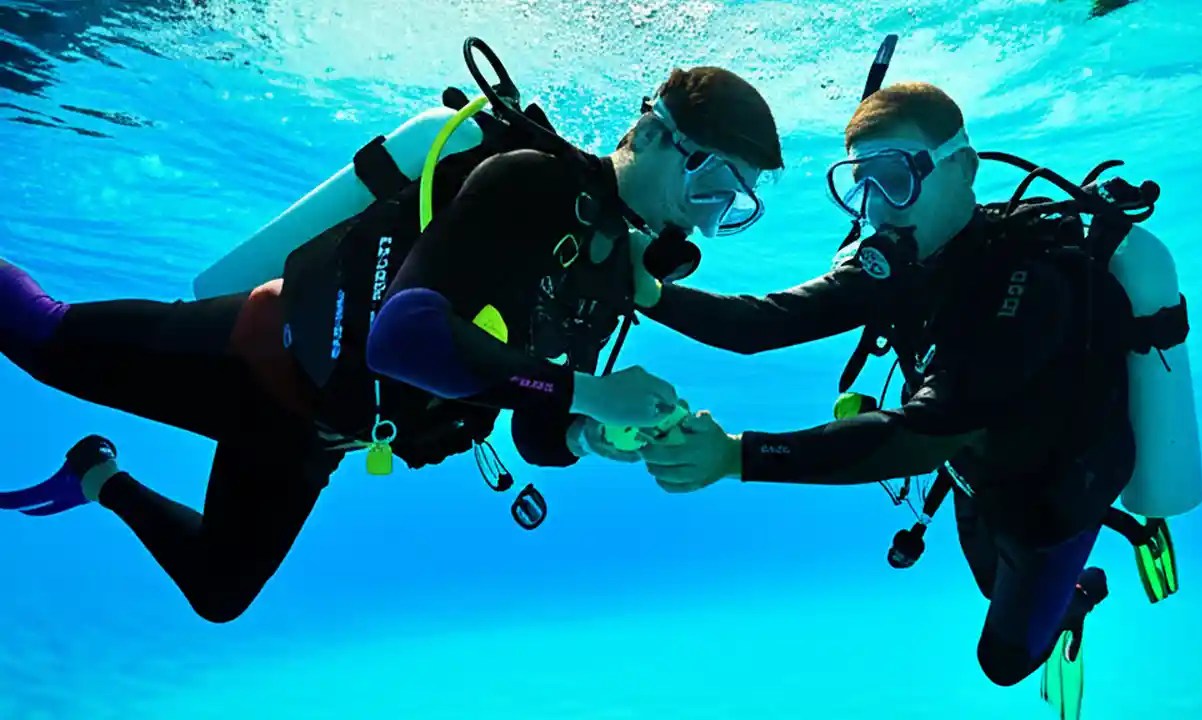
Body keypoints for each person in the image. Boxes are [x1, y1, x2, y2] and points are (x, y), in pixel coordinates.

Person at [0, 38, 784, 624]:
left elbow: (535, 427)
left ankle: (94, 475)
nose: (708, 219)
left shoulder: (611, 278)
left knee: (218, 592)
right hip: (252, 355)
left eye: (734, 207)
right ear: (647, 135)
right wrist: (588, 391)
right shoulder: (529, 182)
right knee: (38, 338)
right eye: (709, 182)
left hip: (323, 432)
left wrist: (591, 434)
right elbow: (401, 340)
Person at [589, 77, 1197, 718]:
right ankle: (1053, 589)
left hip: (1052, 494)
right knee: (991, 580)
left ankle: (1079, 594)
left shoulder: (1030, 285)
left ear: (962, 167)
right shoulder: (899, 258)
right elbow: (769, 323)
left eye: (895, 176)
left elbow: (922, 434)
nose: (879, 207)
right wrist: (653, 295)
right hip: (972, 471)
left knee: (1004, 662)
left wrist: (735, 456)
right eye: (861, 183)